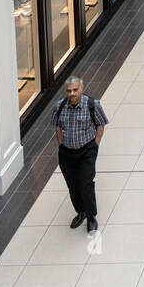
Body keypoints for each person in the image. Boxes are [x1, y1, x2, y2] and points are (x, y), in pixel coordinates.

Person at [53, 76, 108, 233]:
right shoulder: (59, 107)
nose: (72, 93)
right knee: (73, 186)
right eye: (69, 90)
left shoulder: (92, 105)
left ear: (81, 89)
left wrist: (95, 146)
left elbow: (101, 124)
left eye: (75, 90)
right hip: (66, 153)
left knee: (85, 183)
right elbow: (57, 127)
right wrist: (61, 145)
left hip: (87, 151)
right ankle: (81, 212)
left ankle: (91, 216)